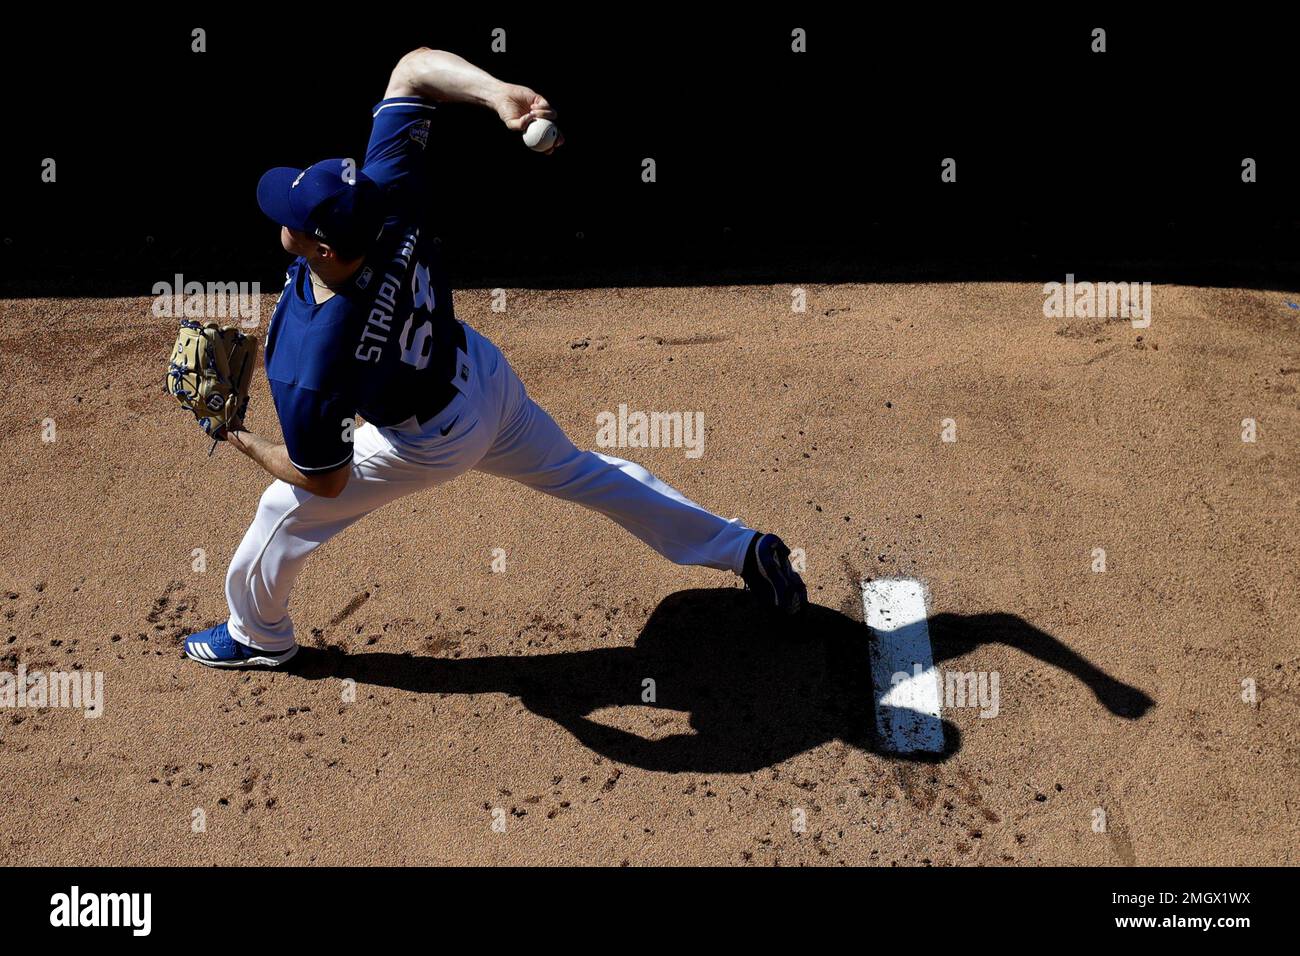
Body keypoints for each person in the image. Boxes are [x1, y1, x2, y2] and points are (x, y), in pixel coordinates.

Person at [183, 48, 806, 669]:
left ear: (320, 247)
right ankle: (742, 548)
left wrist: (236, 433)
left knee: (282, 512)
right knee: (581, 471)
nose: (278, 220)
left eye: (288, 218)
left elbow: (325, 479)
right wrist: (497, 92)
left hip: (430, 441)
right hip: (483, 376)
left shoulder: (307, 357)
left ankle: (257, 635)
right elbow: (414, 68)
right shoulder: (387, 194)